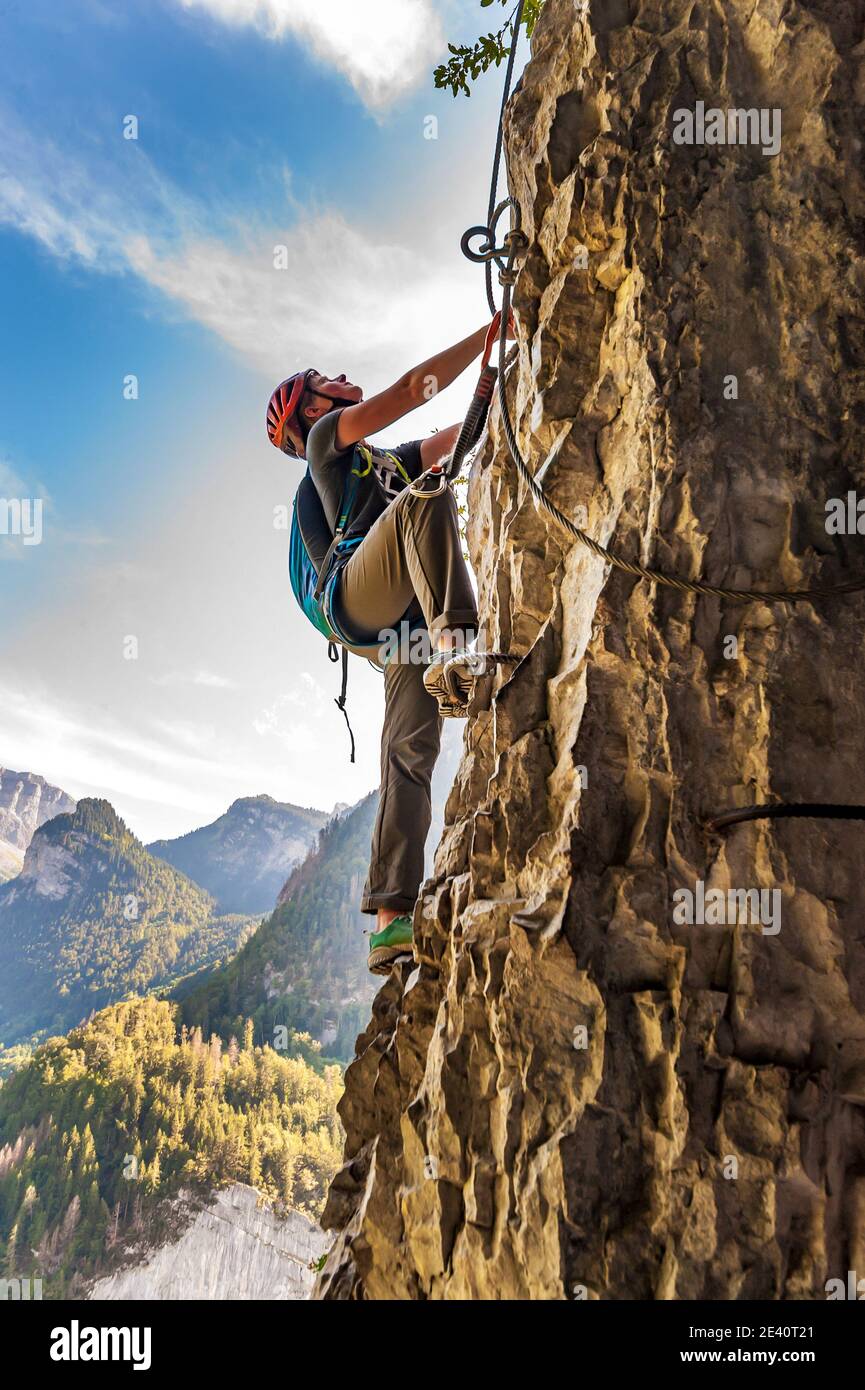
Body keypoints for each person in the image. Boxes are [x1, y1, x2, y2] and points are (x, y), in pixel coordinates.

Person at [266, 316, 513, 973]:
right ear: (311, 408)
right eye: (327, 380)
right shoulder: (325, 442)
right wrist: (493, 331)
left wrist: (508, 379)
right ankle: (458, 641)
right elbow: (413, 388)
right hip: (356, 594)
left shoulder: (386, 460)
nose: (343, 379)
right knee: (423, 499)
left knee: (410, 749)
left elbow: (454, 437)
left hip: (393, 622)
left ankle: (389, 919)